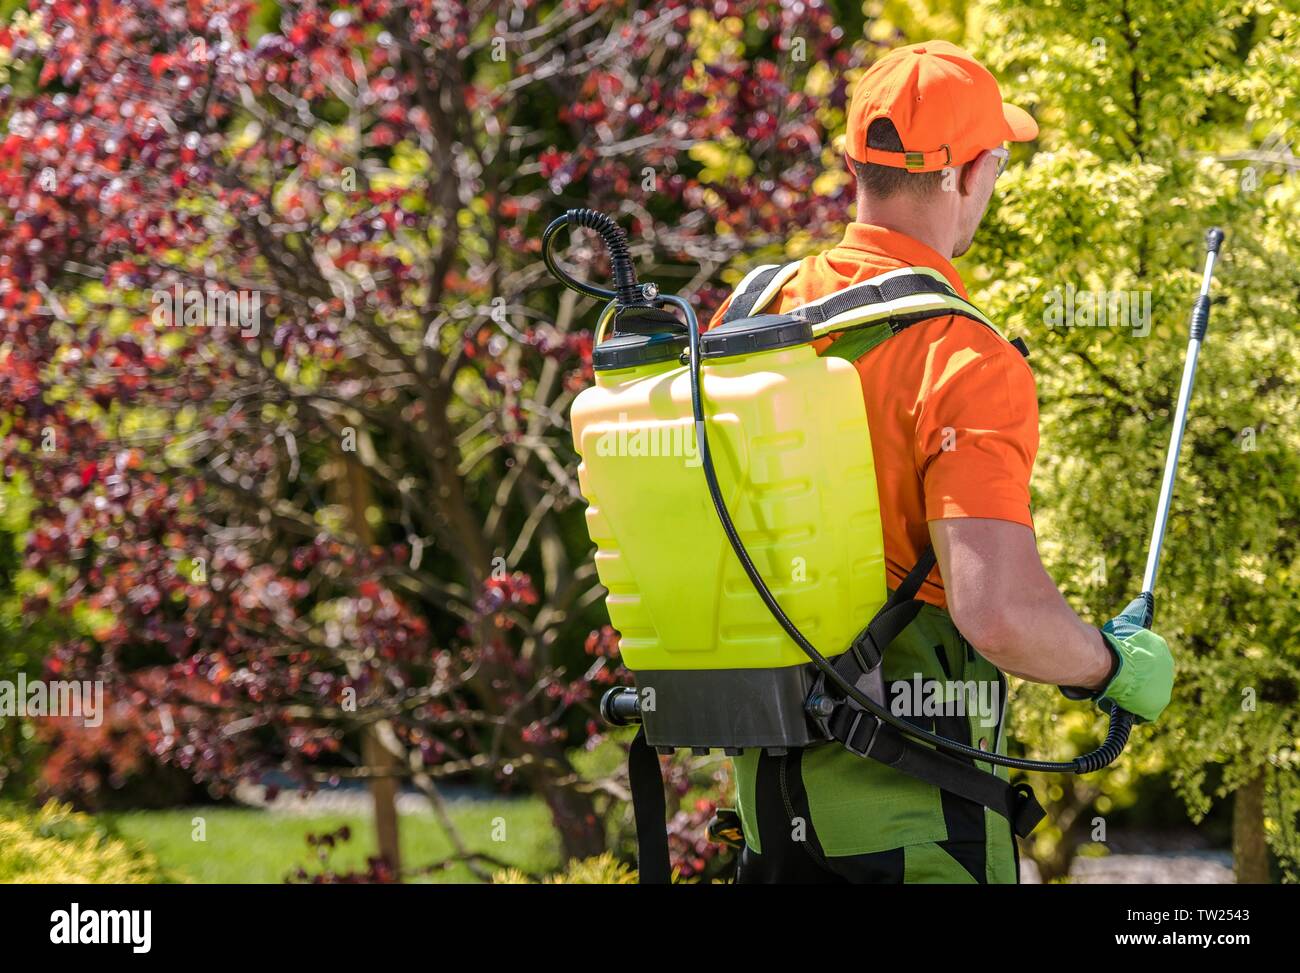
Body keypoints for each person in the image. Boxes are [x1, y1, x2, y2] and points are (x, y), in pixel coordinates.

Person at [706, 40, 1175, 884]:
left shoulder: (750, 314)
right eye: (996, 163)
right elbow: (996, 613)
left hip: (769, 821)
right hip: (918, 833)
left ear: (855, 164)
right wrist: (1110, 666)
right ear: (968, 172)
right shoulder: (963, 358)